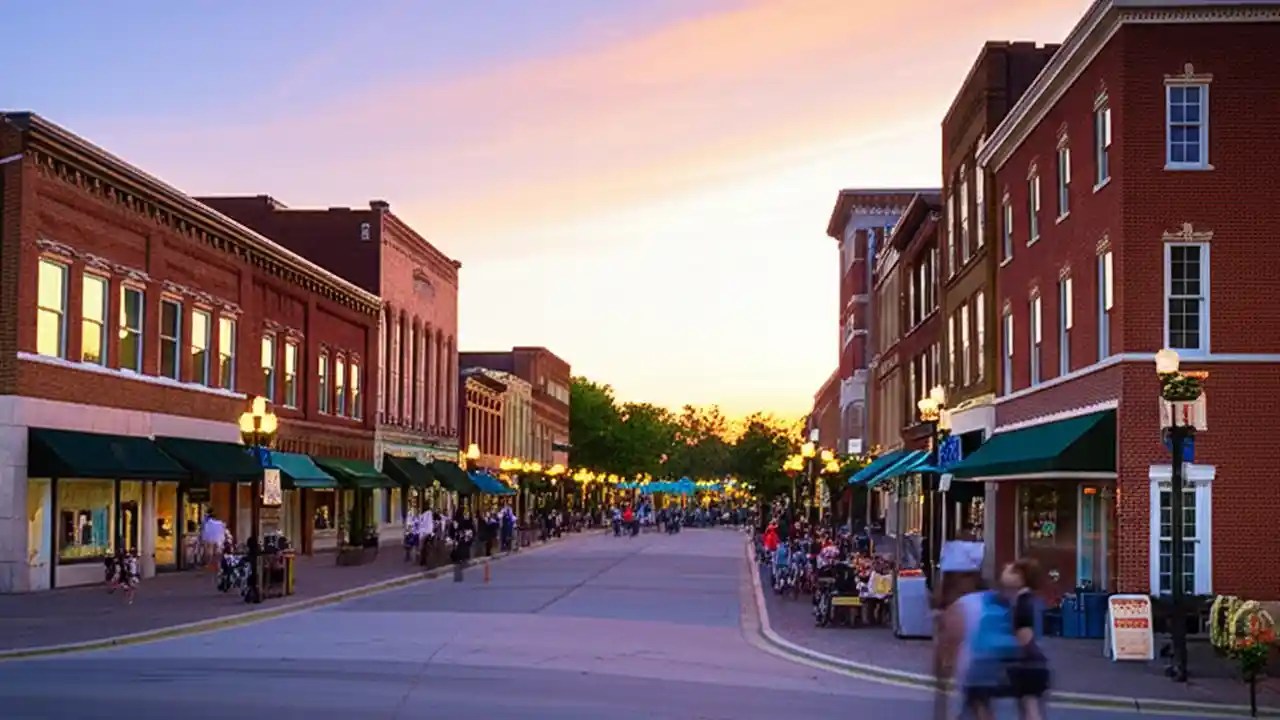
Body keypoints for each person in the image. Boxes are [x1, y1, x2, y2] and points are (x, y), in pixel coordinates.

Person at [1004, 559, 1051, 720]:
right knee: (1029, 708)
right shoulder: (1033, 599)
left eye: (1009, 571)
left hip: (1028, 663)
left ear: (1020, 577)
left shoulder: (1022, 603)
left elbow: (1024, 638)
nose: (1004, 574)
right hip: (1037, 661)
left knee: (1030, 709)